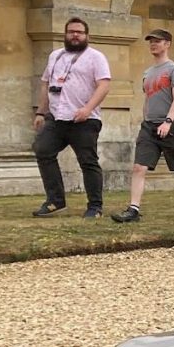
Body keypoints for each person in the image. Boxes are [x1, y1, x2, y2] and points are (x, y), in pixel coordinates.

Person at [113, 29, 174, 224]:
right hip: (149, 126)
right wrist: (145, 118)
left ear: (167, 44)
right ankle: (133, 209)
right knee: (139, 167)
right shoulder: (147, 72)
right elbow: (148, 99)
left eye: (158, 41)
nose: (153, 44)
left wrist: (168, 122)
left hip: (173, 126)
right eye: (151, 41)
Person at [31, 16, 112, 219]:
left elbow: (104, 85)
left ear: (87, 36)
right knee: (42, 150)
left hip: (84, 120)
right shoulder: (55, 56)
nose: (75, 35)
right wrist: (41, 112)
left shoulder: (96, 57)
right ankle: (55, 201)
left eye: (79, 32)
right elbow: (46, 84)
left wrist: (87, 109)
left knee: (88, 161)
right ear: (65, 34)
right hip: (57, 117)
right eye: (71, 32)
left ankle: (95, 207)